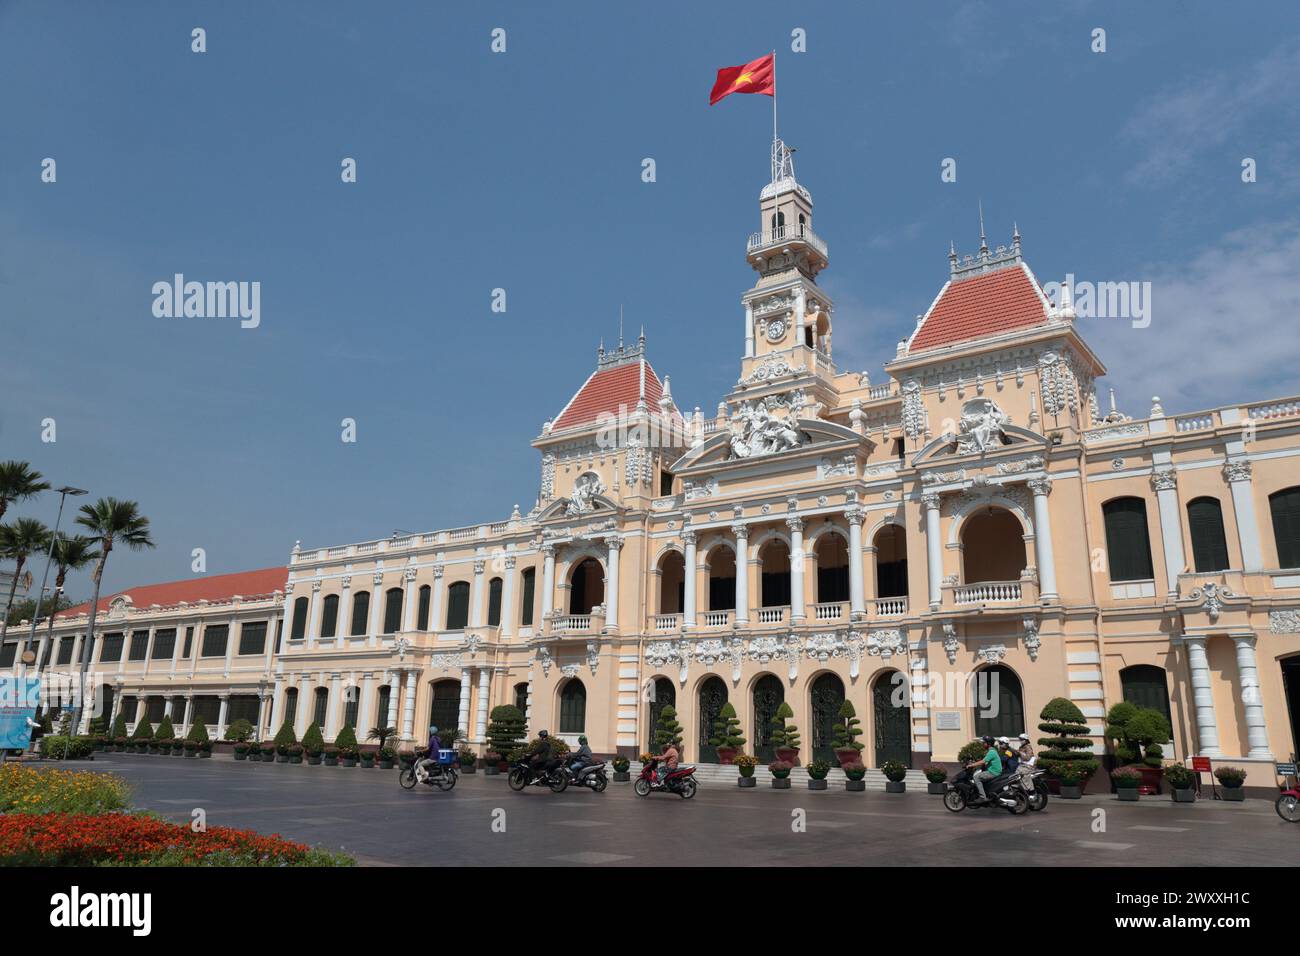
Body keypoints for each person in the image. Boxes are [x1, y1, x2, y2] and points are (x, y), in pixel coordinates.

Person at [967, 735, 1003, 803]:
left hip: (993, 772)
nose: (983, 744)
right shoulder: (992, 751)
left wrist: (971, 765)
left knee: (976, 777)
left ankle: (982, 797)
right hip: (994, 771)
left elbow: (983, 761)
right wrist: (975, 763)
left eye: (984, 743)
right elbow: (985, 761)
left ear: (988, 743)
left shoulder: (991, 752)